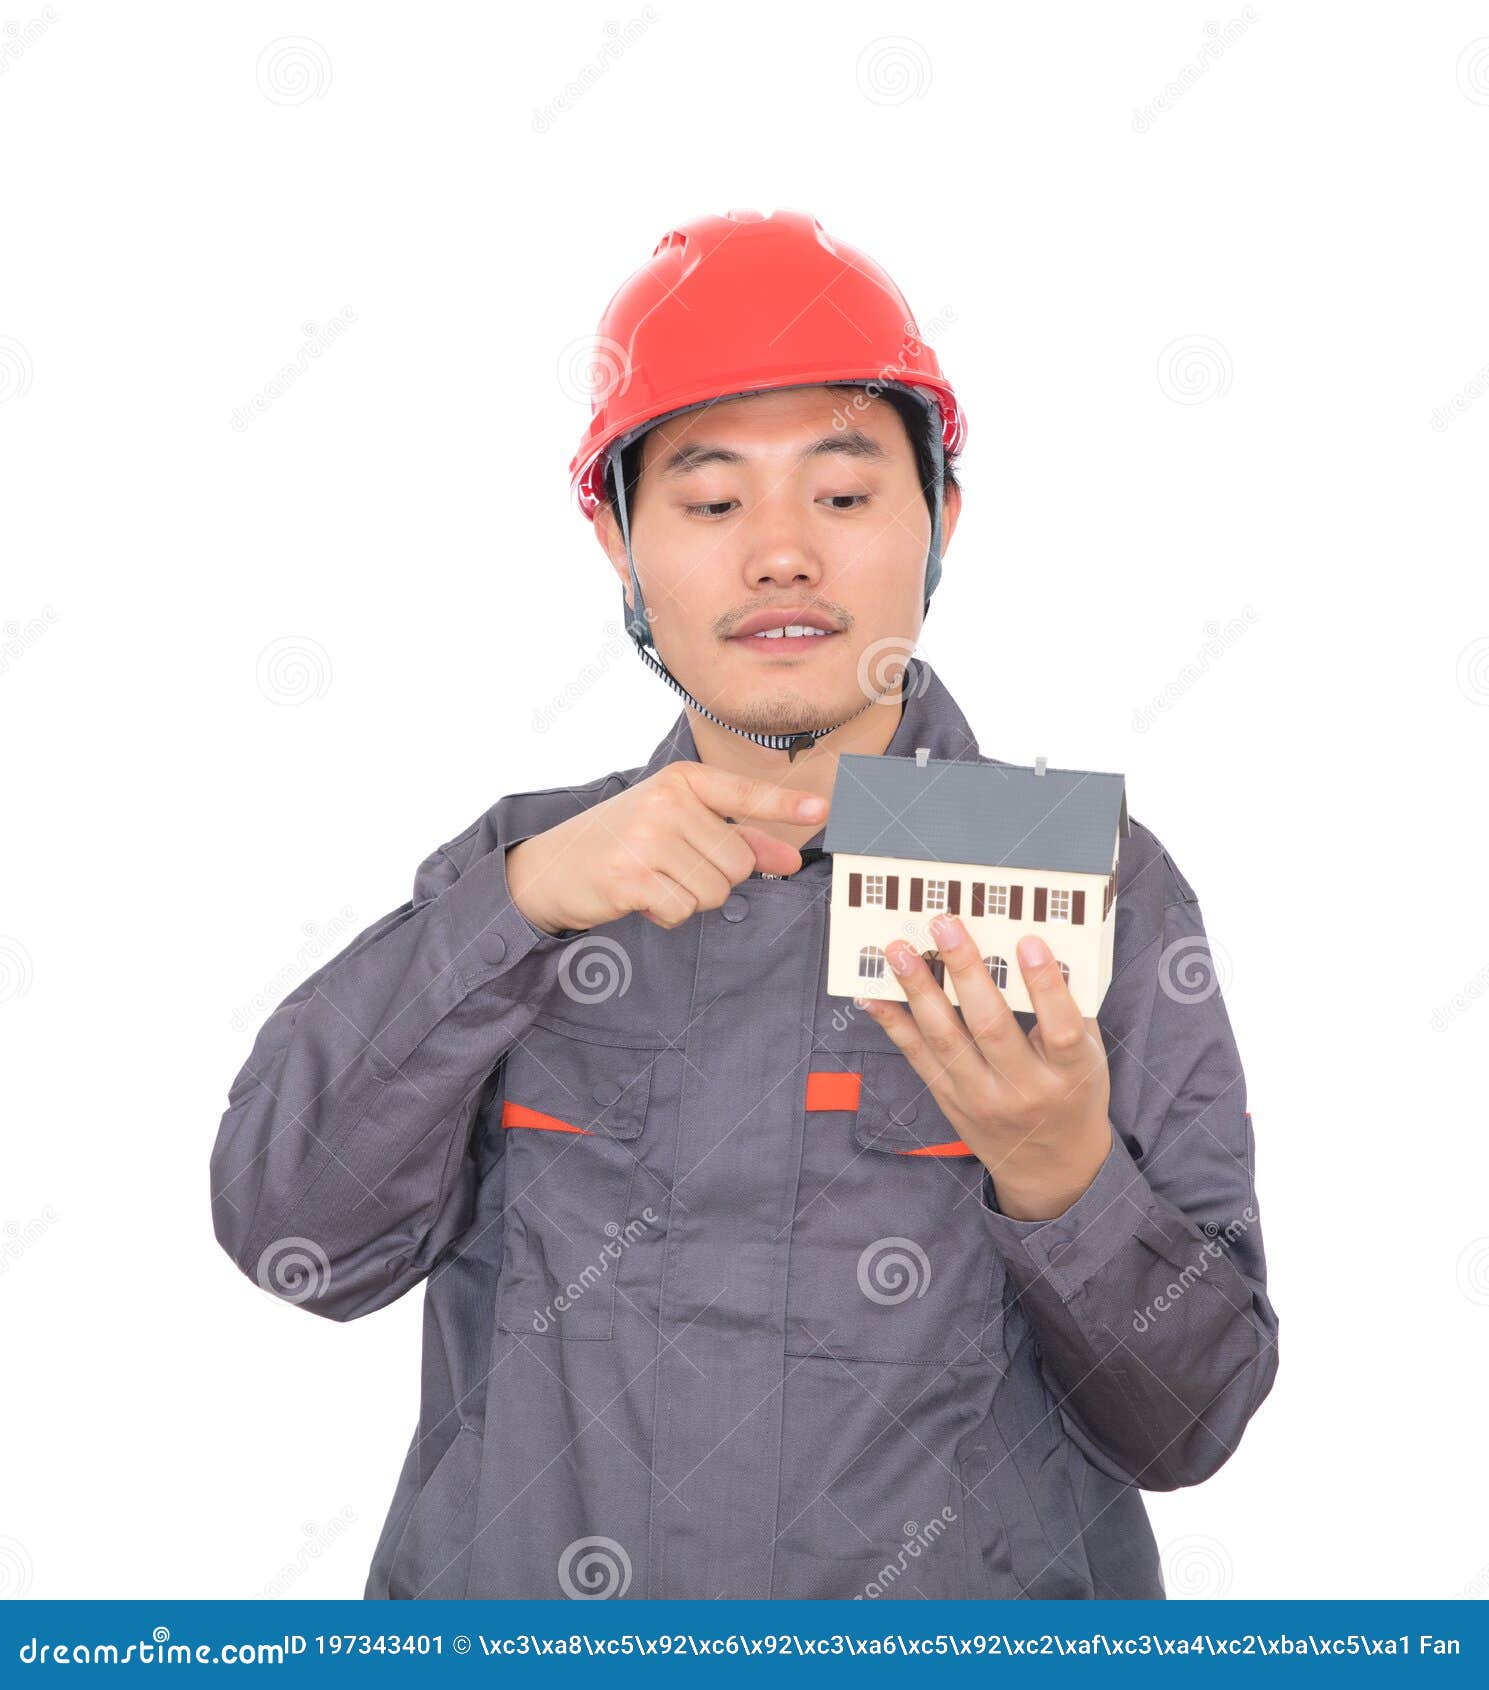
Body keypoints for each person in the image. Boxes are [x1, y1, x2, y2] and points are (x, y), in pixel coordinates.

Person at [209, 209, 1278, 1601]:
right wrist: (519, 912)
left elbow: (1194, 1418)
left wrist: (1063, 1172)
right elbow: (296, 1239)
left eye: (841, 496)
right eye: (710, 503)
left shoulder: (1089, 884)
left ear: (939, 518)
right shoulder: (521, 870)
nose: (779, 553)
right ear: (616, 537)